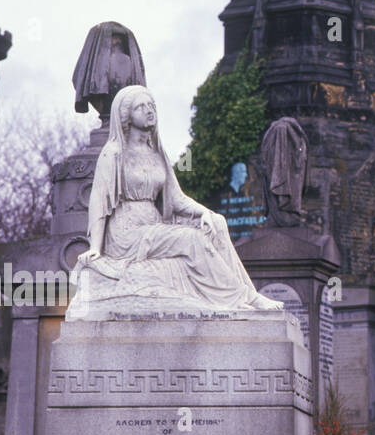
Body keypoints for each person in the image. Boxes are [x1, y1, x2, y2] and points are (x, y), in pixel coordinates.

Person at [69, 84, 281, 317]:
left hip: (153, 225)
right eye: (141, 107)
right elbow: (99, 201)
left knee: (218, 223)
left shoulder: (157, 153)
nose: (150, 111)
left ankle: (248, 295)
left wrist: (205, 213)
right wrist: (95, 248)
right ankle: (243, 298)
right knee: (191, 238)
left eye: (152, 106)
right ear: (126, 115)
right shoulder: (114, 153)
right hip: (126, 234)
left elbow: (176, 199)